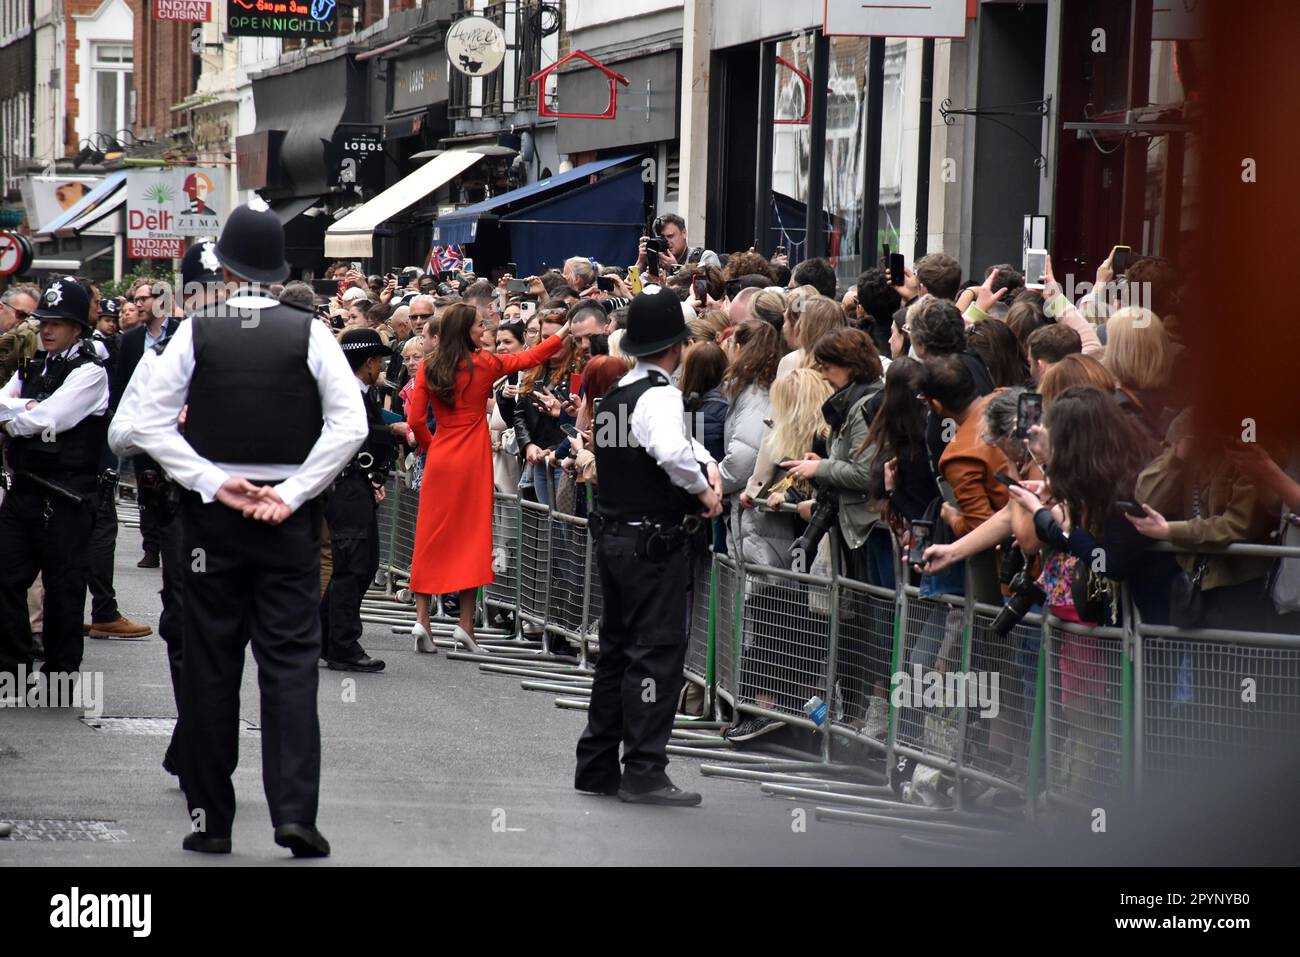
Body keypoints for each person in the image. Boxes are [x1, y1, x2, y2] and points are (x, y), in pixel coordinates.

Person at [127, 201, 369, 858]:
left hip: (212, 522)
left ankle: (211, 817)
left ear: (225, 266)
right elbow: (351, 426)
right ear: (277, 268)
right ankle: (295, 811)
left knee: (210, 664)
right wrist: (291, 491)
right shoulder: (310, 332)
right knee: (289, 666)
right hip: (287, 525)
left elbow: (147, 425)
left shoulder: (196, 331)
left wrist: (212, 479)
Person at [574, 287, 722, 806]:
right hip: (650, 544)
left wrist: (708, 466)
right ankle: (643, 769)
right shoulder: (658, 395)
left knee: (616, 653)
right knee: (654, 656)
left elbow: (675, 444)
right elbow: (668, 449)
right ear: (677, 346)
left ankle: (596, 763)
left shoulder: (618, 393)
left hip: (615, 537)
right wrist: (705, 492)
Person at [107, 238, 229, 779]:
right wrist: (165, 432)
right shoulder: (162, 355)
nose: (213, 300)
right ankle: (200, 742)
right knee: (183, 630)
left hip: (251, 515)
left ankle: (205, 743)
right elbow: (120, 433)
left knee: (235, 636)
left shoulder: (270, 344)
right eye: (202, 290)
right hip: (182, 513)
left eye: (223, 287)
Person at [406, 303, 572, 655]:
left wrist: (432, 446)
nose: (486, 330)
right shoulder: (485, 364)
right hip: (473, 457)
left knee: (430, 535)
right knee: (473, 538)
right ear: (466, 330)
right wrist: (565, 329)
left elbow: (417, 419)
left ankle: (423, 619)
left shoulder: (428, 366)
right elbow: (532, 358)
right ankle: (465, 626)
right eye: (480, 325)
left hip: (440, 457)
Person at [0, 278, 110, 695]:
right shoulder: (33, 366)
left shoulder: (89, 372)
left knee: (63, 591)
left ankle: (59, 677)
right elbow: (8, 404)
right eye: (44, 321)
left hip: (66, 497)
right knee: (5, 577)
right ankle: (10, 668)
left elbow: (47, 421)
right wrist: (21, 408)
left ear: (77, 328)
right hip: (24, 489)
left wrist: (21, 412)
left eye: (57, 323)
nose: (46, 330)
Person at [320, 329, 406, 673]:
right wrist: (393, 432)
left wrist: (374, 477)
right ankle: (342, 645)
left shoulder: (358, 392)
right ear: (369, 362)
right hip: (345, 486)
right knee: (353, 564)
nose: (381, 368)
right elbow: (353, 434)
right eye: (379, 361)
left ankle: (322, 636)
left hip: (356, 484)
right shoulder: (344, 395)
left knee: (361, 563)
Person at [114, 277, 183, 569]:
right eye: (136, 300)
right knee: (145, 486)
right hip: (141, 427)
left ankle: (173, 544)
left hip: (176, 427)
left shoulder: (181, 333)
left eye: (144, 299)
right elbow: (121, 385)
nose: (138, 304)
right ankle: (151, 546)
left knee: (173, 487)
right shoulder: (129, 340)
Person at [635, 212, 720, 278]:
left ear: (684, 233)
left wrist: (675, 269)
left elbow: (711, 291)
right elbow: (632, 290)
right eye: (662, 238)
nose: (666, 241)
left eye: (670, 236)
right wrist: (641, 261)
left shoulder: (705, 257)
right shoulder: (656, 261)